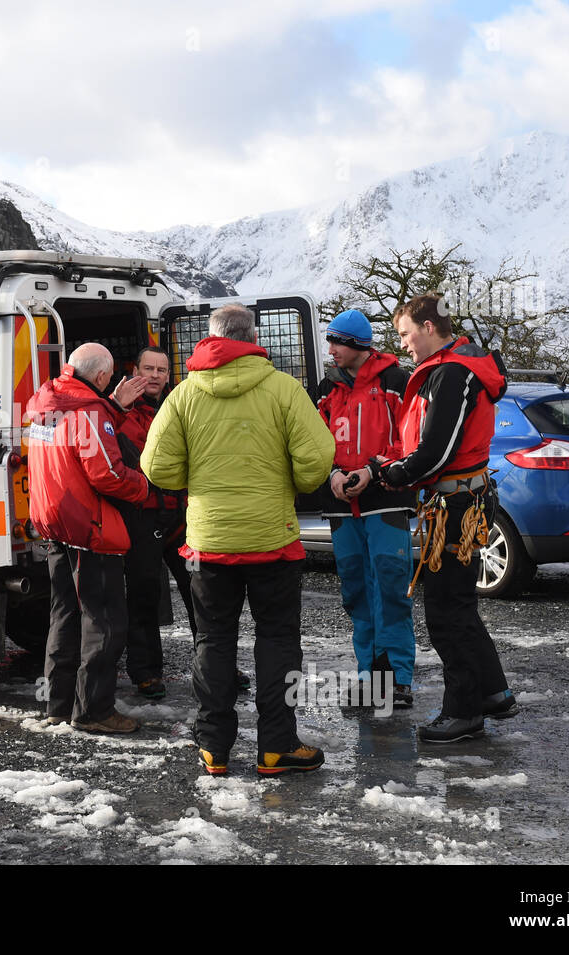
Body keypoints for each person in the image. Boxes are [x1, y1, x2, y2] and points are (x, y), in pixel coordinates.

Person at [142, 304, 335, 775]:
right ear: (253, 337)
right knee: (278, 641)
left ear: (209, 339)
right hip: (273, 538)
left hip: (208, 542)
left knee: (213, 639)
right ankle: (276, 746)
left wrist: (200, 481)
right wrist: (285, 482)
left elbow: (156, 467)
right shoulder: (284, 389)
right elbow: (317, 460)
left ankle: (213, 747)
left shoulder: (183, 395)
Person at [353, 293, 519, 743]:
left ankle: (463, 712)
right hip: (455, 502)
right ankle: (492, 693)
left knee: (446, 612)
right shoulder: (449, 370)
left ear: (429, 327)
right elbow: (423, 449)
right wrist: (380, 466)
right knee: (457, 606)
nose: (402, 344)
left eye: (405, 334)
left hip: (457, 507)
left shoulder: (453, 374)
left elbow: (434, 454)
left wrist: (387, 475)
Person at [25, 342, 149, 734]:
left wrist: (112, 407)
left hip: (55, 526)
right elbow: (106, 474)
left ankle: (57, 704)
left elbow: (75, 442)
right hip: (89, 530)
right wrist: (145, 486)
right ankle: (94, 710)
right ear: (100, 377)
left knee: (64, 616)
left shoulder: (47, 402)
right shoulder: (91, 412)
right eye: (109, 378)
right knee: (106, 621)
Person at [116, 346, 250, 700]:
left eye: (161, 370)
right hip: (142, 518)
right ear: (134, 370)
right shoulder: (117, 412)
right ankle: (146, 673)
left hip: (181, 517)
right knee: (143, 595)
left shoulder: (180, 404)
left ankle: (216, 664)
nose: (156, 376)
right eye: (148, 368)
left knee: (203, 593)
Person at [316, 309, 416, 710]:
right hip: (343, 507)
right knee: (356, 591)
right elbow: (313, 441)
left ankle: (397, 679)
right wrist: (334, 473)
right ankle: (369, 677)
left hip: (385, 501)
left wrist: (372, 470)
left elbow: (411, 439)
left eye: (338, 342)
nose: (332, 349)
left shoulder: (396, 381)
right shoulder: (326, 388)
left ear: (357, 344)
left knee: (391, 587)